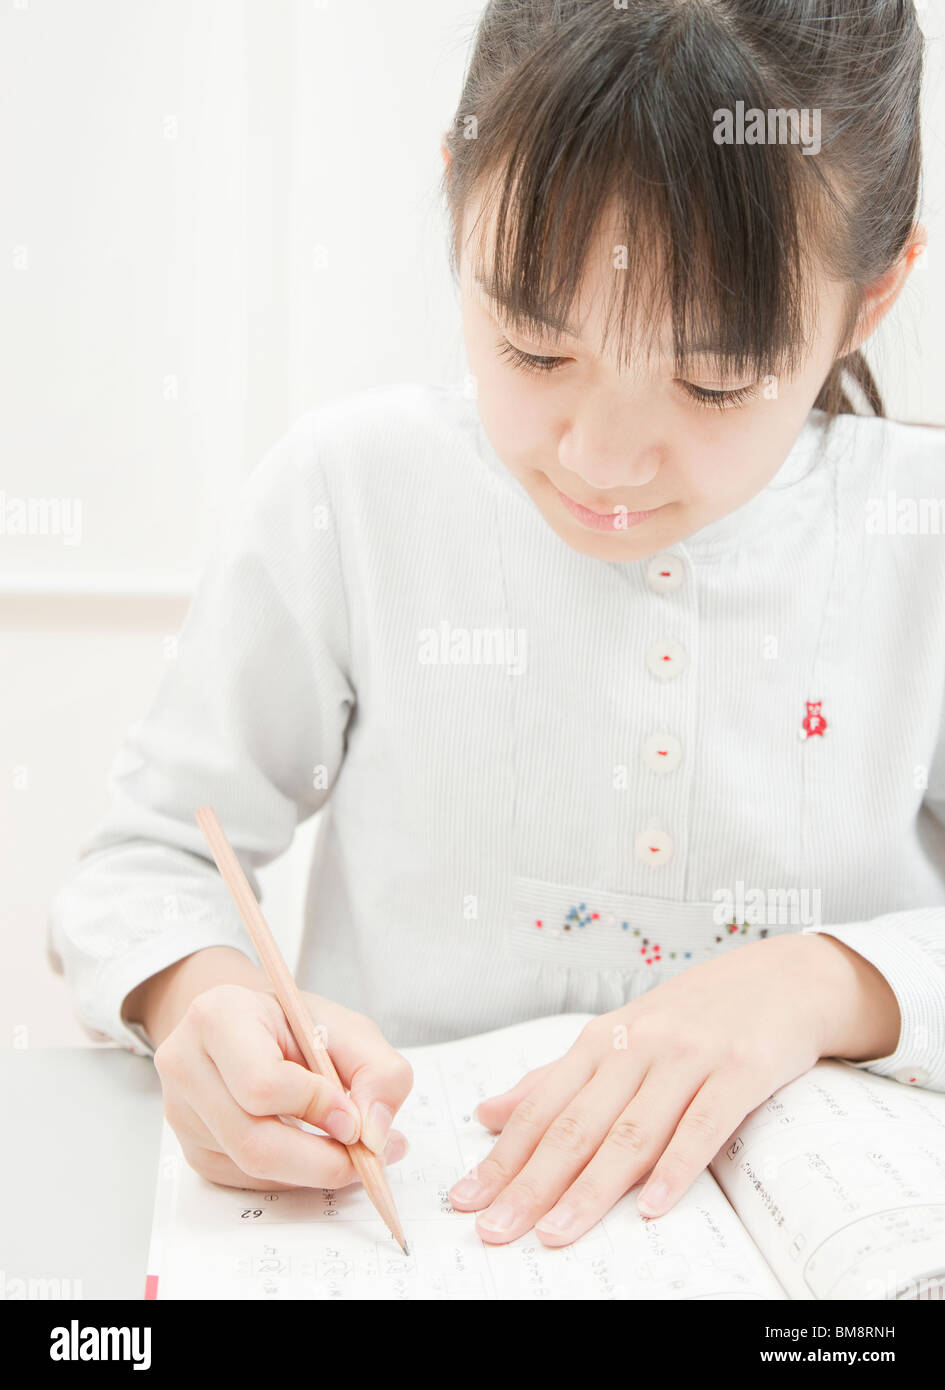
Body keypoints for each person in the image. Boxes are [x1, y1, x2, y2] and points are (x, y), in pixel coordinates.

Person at [49, 0, 945, 1248]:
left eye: (714, 381)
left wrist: (818, 984)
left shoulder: (923, 540)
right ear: (457, 202)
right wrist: (199, 998)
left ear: (869, 296)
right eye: (533, 347)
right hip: (421, 1239)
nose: (602, 459)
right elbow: (147, 860)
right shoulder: (353, 499)